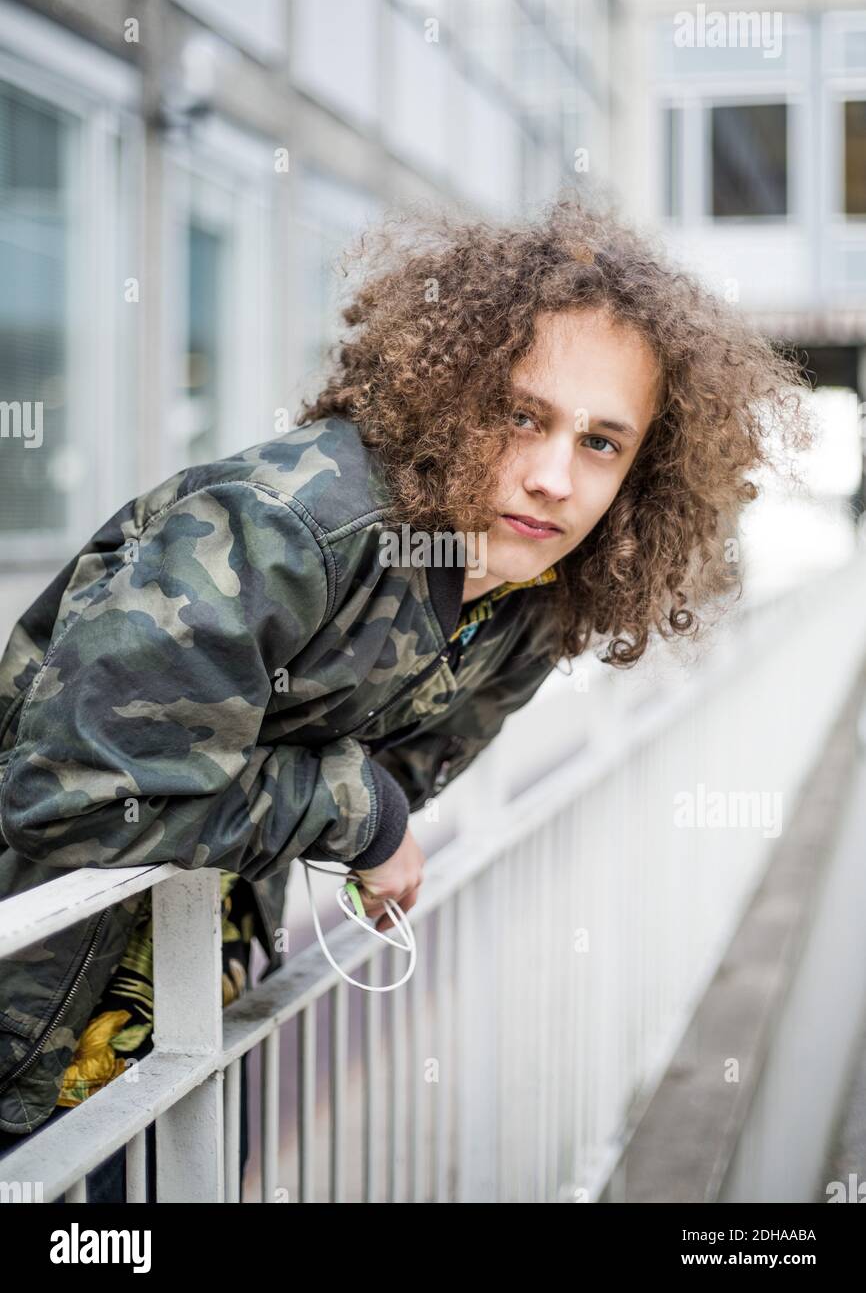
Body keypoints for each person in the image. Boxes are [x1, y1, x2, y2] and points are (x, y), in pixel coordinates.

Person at [0, 193, 815, 1193]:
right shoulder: (284, 530)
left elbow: (400, 776)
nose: (552, 476)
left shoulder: (532, 598)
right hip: (22, 1007)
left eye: (601, 442)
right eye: (521, 415)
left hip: (181, 1003)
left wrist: (354, 804)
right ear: (451, 393)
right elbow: (72, 797)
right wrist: (354, 810)